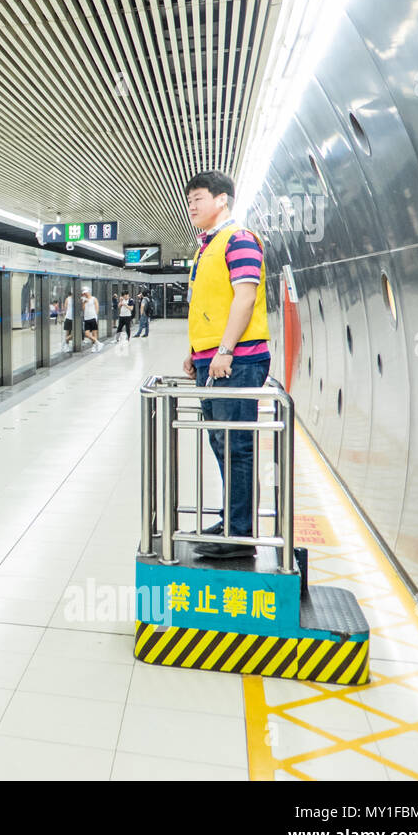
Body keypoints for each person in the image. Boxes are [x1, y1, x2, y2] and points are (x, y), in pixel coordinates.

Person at [181, 170, 270, 558]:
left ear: (222, 200)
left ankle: (239, 534)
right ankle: (232, 522)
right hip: (212, 360)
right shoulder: (206, 247)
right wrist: (198, 351)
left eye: (199, 198)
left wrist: (225, 351)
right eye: (189, 201)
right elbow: (210, 307)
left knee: (237, 445)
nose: (192, 206)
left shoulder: (239, 240)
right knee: (222, 443)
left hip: (238, 360)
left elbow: (244, 298)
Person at [81, 287, 103, 351]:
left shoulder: (94, 299)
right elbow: (83, 309)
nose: (85, 294)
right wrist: (84, 302)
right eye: (84, 293)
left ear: (88, 292)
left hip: (93, 317)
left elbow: (97, 308)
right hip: (86, 318)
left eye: (85, 292)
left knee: (94, 333)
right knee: (87, 334)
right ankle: (98, 343)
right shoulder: (83, 300)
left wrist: (96, 317)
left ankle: (94, 346)